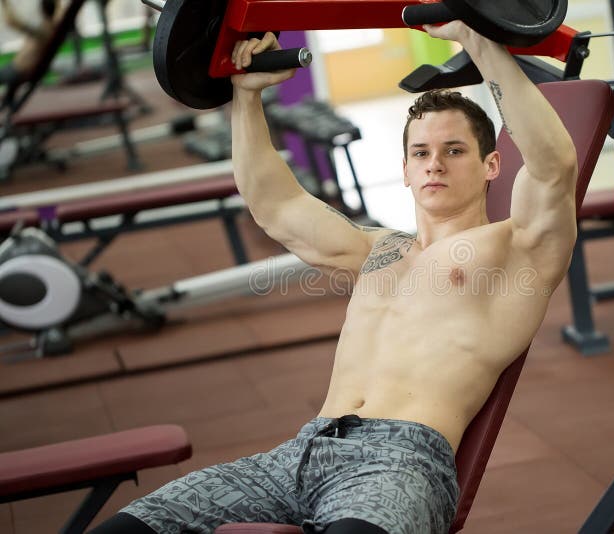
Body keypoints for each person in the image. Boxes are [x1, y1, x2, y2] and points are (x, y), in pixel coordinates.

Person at [92, 20, 578, 534]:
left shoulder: (515, 249)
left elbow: (554, 168)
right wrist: (246, 95)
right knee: (131, 528)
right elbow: (274, 205)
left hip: (399, 463)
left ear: (492, 165)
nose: (434, 164)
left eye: (454, 151)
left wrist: (480, 40)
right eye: (421, 153)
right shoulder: (377, 249)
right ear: (407, 170)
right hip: (298, 453)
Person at [0, 0, 59, 86]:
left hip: (20, 70)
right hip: (19, 68)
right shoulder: (51, 28)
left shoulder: (43, 32)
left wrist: (4, 3)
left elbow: (12, 22)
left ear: (41, 10)